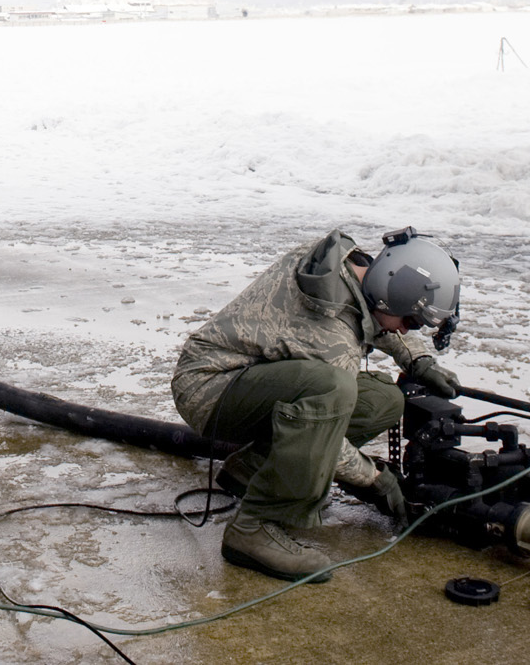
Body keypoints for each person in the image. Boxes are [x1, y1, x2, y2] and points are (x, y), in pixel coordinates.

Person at [172, 228, 464, 582]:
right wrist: (376, 479)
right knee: (333, 390)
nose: (405, 331)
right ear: (389, 296)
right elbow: (330, 439)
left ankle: (251, 469)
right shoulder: (331, 334)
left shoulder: (346, 265)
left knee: (384, 400)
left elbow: (370, 313)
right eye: (411, 322)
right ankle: (253, 529)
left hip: (248, 373)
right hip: (209, 390)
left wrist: (418, 360)